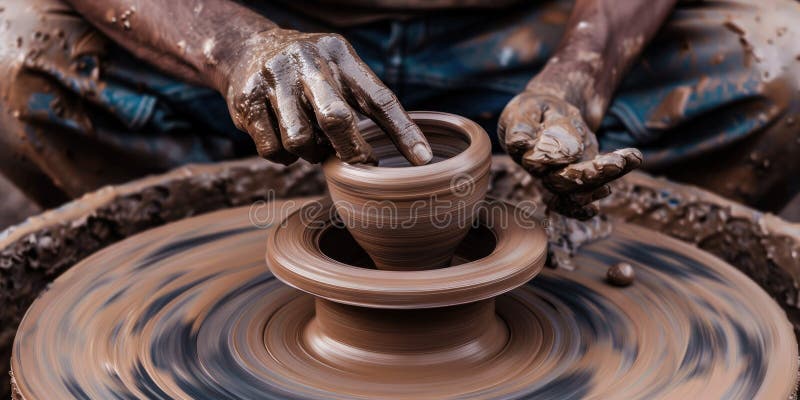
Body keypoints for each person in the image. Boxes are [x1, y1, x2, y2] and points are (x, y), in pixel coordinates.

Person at [1, 0, 798, 220]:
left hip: (528, 33)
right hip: (257, 27)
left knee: (787, 63)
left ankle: (571, 209)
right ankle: (218, 230)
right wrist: (231, 44)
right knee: (10, 57)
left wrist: (583, 74)